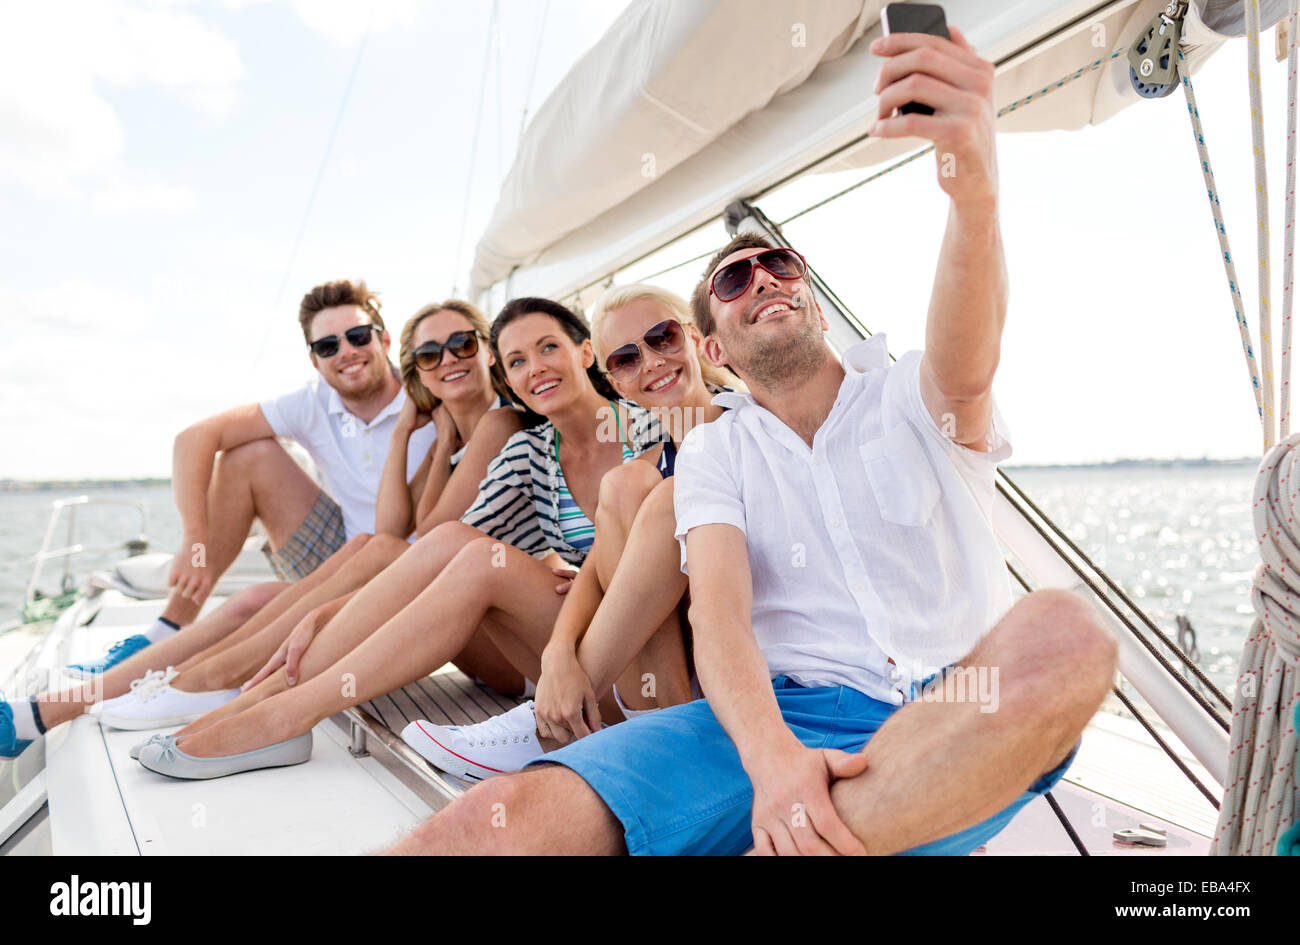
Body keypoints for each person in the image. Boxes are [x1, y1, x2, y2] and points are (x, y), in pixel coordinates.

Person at [380, 26, 1117, 856]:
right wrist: (773, 764)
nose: (763, 278)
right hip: (776, 715)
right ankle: (842, 828)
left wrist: (972, 191)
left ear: (816, 303)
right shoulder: (714, 452)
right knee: (481, 824)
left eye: (780, 266)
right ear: (717, 349)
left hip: (951, 704)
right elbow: (722, 618)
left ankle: (821, 828)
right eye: (733, 280)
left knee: (1066, 634)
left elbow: (968, 359)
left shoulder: (912, 395)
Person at [132, 297, 667, 778]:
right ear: (506, 374)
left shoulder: (647, 423)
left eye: (548, 347)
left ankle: (281, 715)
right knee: (461, 545)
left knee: (477, 559)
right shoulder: (530, 454)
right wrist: (326, 613)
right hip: (576, 658)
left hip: (654, 666)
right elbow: (434, 545)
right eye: (519, 361)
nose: (536, 368)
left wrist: (568, 614)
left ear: (586, 353)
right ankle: (253, 707)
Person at [0, 299, 519, 755]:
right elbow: (411, 527)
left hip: (466, 615)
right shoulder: (442, 426)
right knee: (263, 594)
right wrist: (420, 433)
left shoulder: (492, 422)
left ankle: (210, 679)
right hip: (402, 575)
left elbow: (422, 541)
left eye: (462, 345)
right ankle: (71, 700)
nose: (448, 360)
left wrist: (327, 610)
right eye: (431, 356)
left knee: (375, 549)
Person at [400, 283, 736, 778]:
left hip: (747, 654)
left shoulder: (747, 425)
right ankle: (656, 731)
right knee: (624, 486)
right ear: (616, 381)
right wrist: (558, 651)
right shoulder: (642, 462)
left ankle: (552, 725)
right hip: (680, 666)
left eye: (662, 338)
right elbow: (597, 567)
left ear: (696, 338)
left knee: (645, 491)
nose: (650, 362)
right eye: (624, 358)